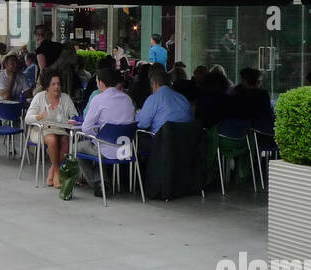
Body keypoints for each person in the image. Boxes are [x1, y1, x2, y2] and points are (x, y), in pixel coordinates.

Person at [76, 67, 136, 196]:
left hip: (106, 150)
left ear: (101, 83)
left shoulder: (98, 99)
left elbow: (86, 127)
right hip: (126, 150)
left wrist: (97, 137)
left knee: (77, 147)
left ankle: (98, 183)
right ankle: (103, 181)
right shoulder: (127, 99)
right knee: (98, 146)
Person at [25, 70, 79, 188]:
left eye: (58, 84)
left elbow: (74, 115)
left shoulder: (65, 98)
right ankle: (56, 173)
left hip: (60, 129)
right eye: (53, 84)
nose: (57, 87)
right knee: (53, 140)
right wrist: (39, 116)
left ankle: (52, 171)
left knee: (66, 141)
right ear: (47, 86)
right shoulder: (39, 97)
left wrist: (73, 119)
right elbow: (27, 119)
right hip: (40, 129)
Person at [136, 64, 193, 135]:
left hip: (162, 142)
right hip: (186, 141)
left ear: (154, 84)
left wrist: (138, 114)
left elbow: (142, 123)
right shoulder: (182, 98)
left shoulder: (154, 98)